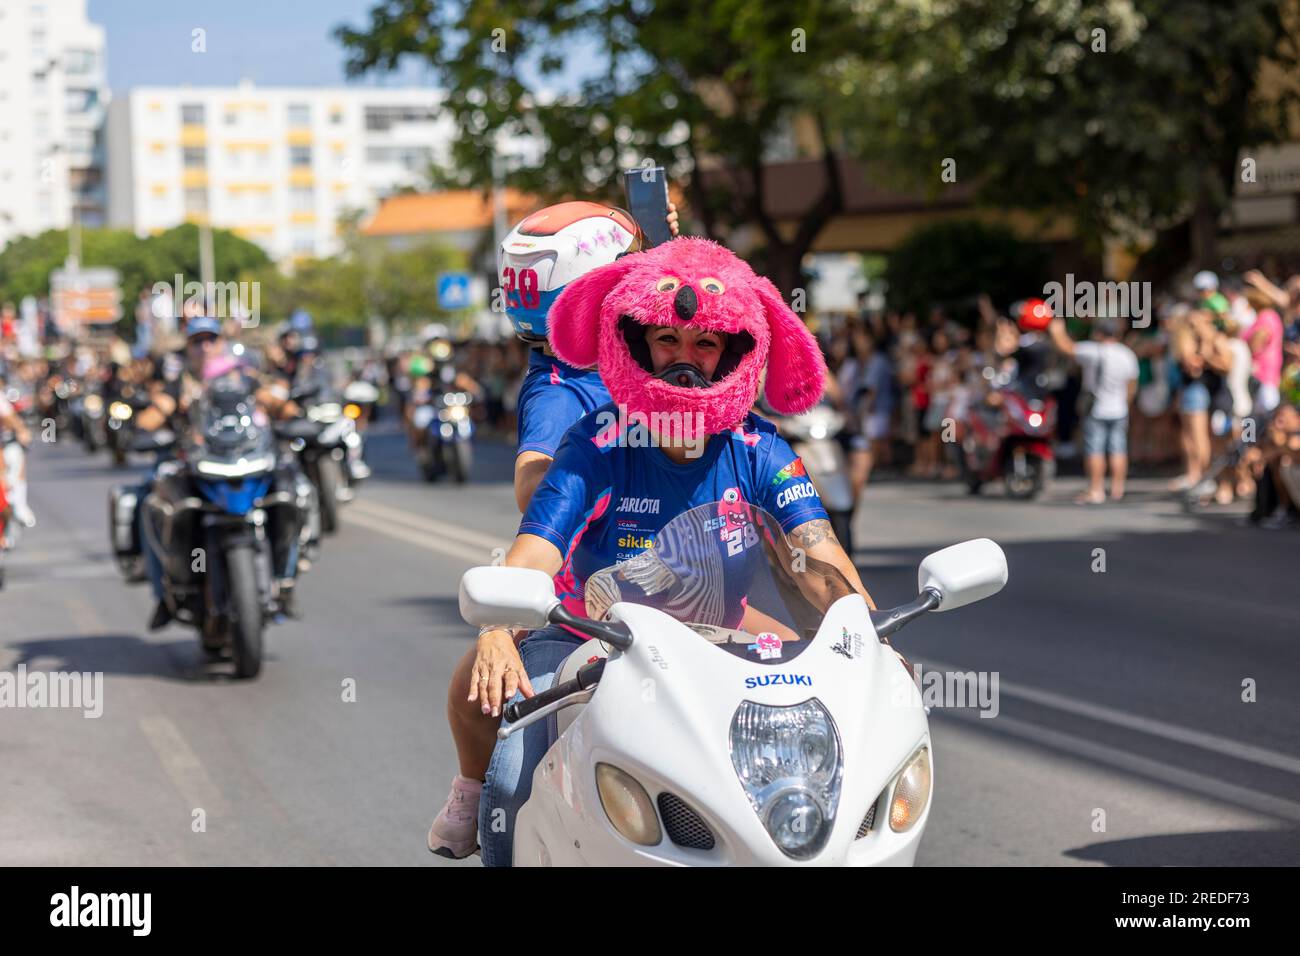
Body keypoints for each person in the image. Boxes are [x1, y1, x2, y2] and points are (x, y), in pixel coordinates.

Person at [465, 237, 875, 866]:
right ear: (635, 344)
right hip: (587, 639)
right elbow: (535, 553)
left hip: (724, 644)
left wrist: (874, 644)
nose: (685, 359)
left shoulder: (761, 446)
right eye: (666, 342)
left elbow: (821, 563)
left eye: (705, 344)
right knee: (514, 766)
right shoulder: (596, 444)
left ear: (733, 352)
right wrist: (498, 624)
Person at [427, 200, 676, 858]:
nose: (655, 297)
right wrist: (592, 468)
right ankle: (478, 800)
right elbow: (531, 484)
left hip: (710, 591)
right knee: (506, 773)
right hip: (592, 601)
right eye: (632, 277)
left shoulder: (673, 356)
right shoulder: (563, 386)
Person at [1047, 316, 1138, 503]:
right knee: (1118, 449)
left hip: (1096, 408)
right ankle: (1117, 488)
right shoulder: (1127, 354)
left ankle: (1096, 490)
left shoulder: (1093, 351)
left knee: (1094, 450)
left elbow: (1065, 346)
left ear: (1098, 333)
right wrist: (1126, 403)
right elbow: (1132, 385)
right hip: (1119, 409)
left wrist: (1056, 328)